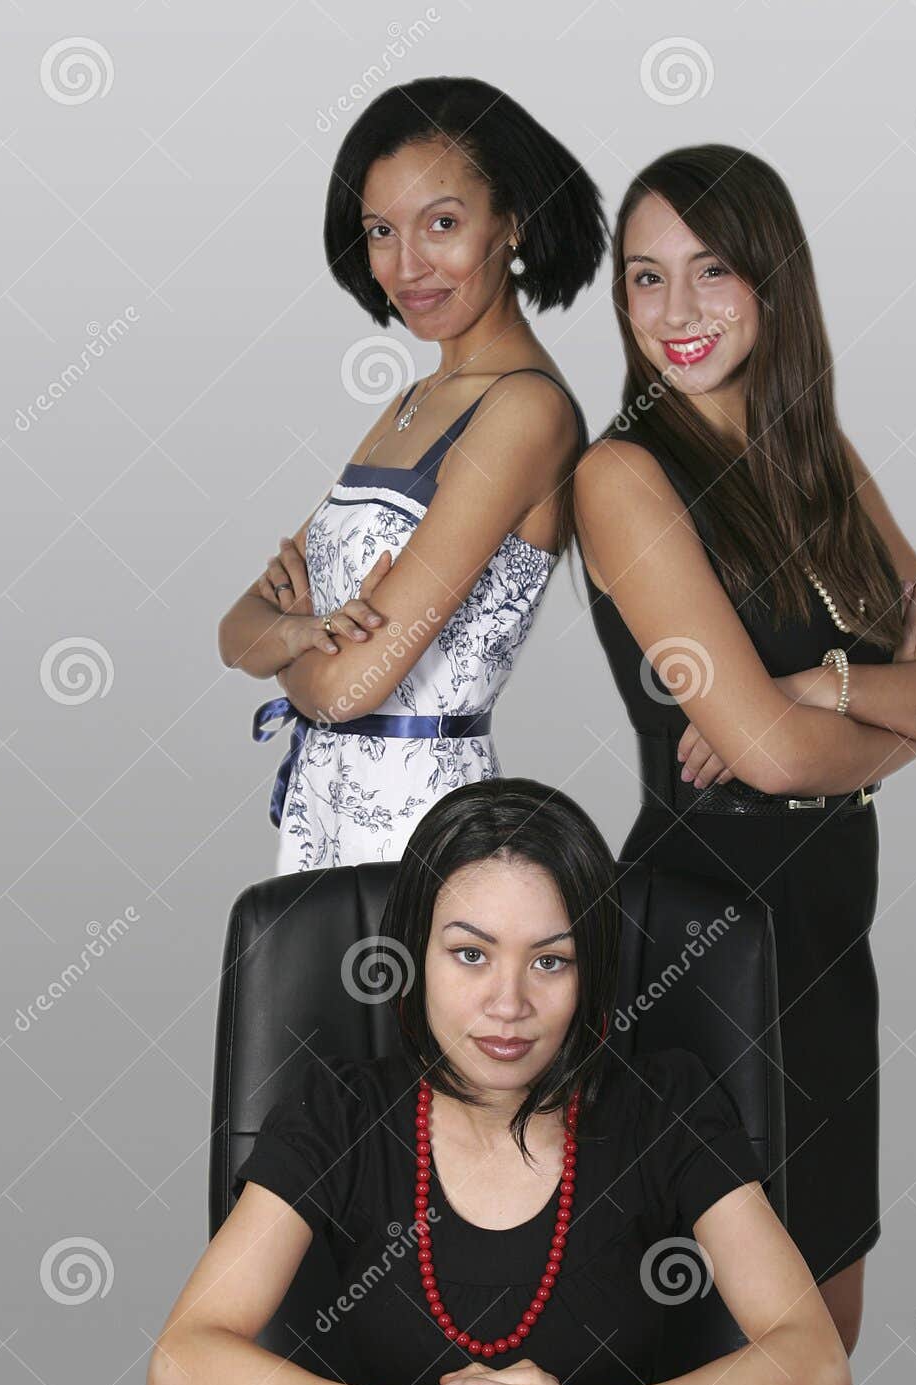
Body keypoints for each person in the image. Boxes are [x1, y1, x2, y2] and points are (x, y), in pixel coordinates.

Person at [573, 145, 916, 1360]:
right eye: (643, 276)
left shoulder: (820, 459)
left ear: (772, 280)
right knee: (713, 1336)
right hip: (700, 931)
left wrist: (824, 691)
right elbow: (765, 759)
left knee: (826, 1326)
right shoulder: (622, 473)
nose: (676, 309)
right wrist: (873, 720)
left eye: (711, 270)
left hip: (825, 931)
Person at [146, 779, 853, 1385]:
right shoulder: (340, 1112)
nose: (509, 1004)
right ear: (413, 957)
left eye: (550, 961)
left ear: (592, 972)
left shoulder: (663, 1106)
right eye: (470, 954)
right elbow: (183, 1357)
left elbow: (812, 1358)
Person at [217, 77, 604, 872]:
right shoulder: (409, 402)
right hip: (322, 812)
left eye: (442, 223)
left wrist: (290, 636)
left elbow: (346, 690)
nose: (407, 265)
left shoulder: (524, 411)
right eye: (380, 231)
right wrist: (300, 637)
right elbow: (233, 630)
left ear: (513, 221)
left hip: (421, 827)